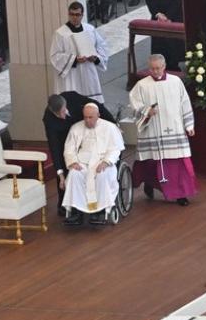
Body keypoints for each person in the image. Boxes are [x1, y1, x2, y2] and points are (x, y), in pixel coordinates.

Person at [129, 54, 197, 206]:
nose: (155, 71)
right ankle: (150, 183)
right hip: (152, 130)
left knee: (179, 163)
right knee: (151, 163)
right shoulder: (141, 85)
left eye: (158, 68)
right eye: (152, 69)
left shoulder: (176, 81)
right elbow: (134, 106)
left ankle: (181, 194)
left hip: (174, 129)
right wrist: (146, 111)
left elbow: (185, 103)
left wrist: (189, 125)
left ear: (164, 66)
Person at [43, 92, 116, 217]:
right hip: (66, 137)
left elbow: (95, 107)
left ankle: (101, 207)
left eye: (63, 111)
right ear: (51, 110)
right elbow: (55, 148)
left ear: (65, 104)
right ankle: (70, 206)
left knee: (100, 173)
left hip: (86, 129)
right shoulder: (49, 120)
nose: (62, 116)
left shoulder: (73, 98)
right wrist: (61, 173)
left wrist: (113, 123)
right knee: (72, 171)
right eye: (58, 114)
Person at [61, 103, 124, 226]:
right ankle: (76, 212)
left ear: (98, 115)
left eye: (91, 117)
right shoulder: (76, 128)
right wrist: (73, 162)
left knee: (102, 176)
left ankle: (99, 211)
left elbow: (115, 149)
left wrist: (106, 162)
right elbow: (69, 148)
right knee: (74, 174)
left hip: (102, 162)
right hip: (83, 162)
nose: (87, 120)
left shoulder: (110, 127)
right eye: (85, 117)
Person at [49, 2, 109, 103]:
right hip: (71, 76)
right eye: (71, 14)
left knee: (91, 105)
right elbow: (55, 56)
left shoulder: (90, 30)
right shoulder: (60, 33)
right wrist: (74, 59)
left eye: (77, 15)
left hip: (88, 72)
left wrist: (96, 58)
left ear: (82, 15)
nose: (74, 17)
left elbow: (102, 47)